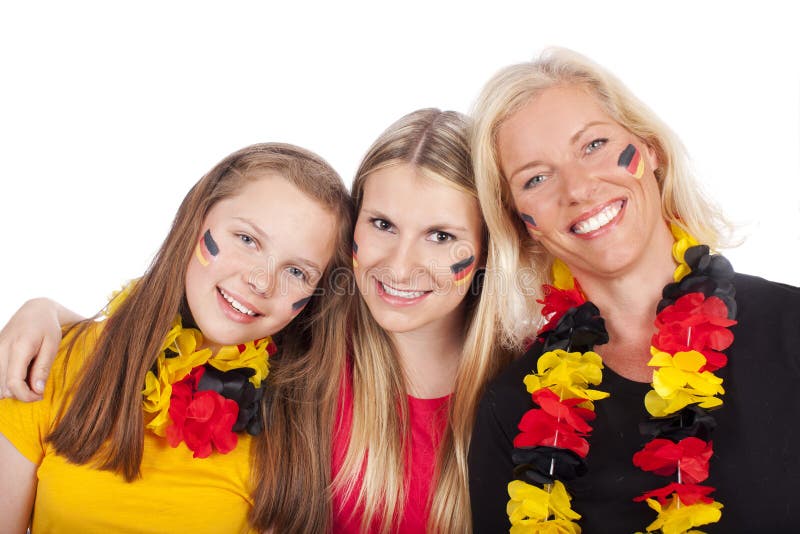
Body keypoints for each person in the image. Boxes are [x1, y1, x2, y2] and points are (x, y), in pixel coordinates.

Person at [467, 48, 800, 533]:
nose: (578, 188)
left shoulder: (791, 328)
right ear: (521, 224)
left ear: (650, 148)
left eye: (593, 144)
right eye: (536, 178)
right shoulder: (513, 407)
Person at [0, 142, 354, 533]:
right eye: (247, 239)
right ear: (196, 219)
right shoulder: (52, 360)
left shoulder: (299, 423)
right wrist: (44, 307)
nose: (260, 281)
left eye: (297, 272)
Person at [331, 108, 509, 533]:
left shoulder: (536, 390)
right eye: (382, 224)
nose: (400, 265)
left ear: (488, 247)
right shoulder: (306, 368)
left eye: (441, 236)